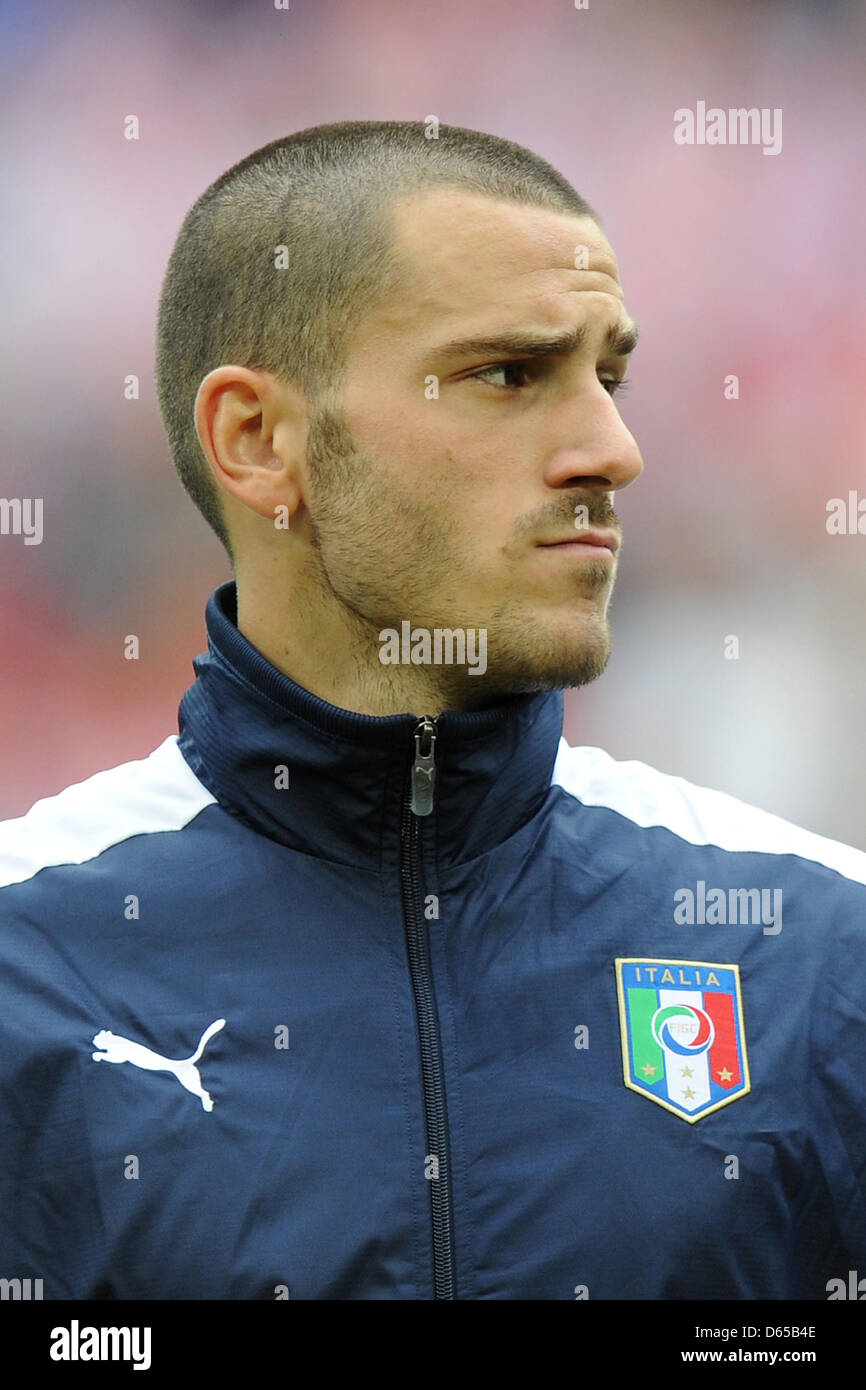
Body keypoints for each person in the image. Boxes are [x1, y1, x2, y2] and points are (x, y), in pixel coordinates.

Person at [1, 120, 865, 1301]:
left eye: (606, 377)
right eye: (508, 375)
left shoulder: (815, 948)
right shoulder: (27, 964)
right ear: (258, 442)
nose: (612, 450)